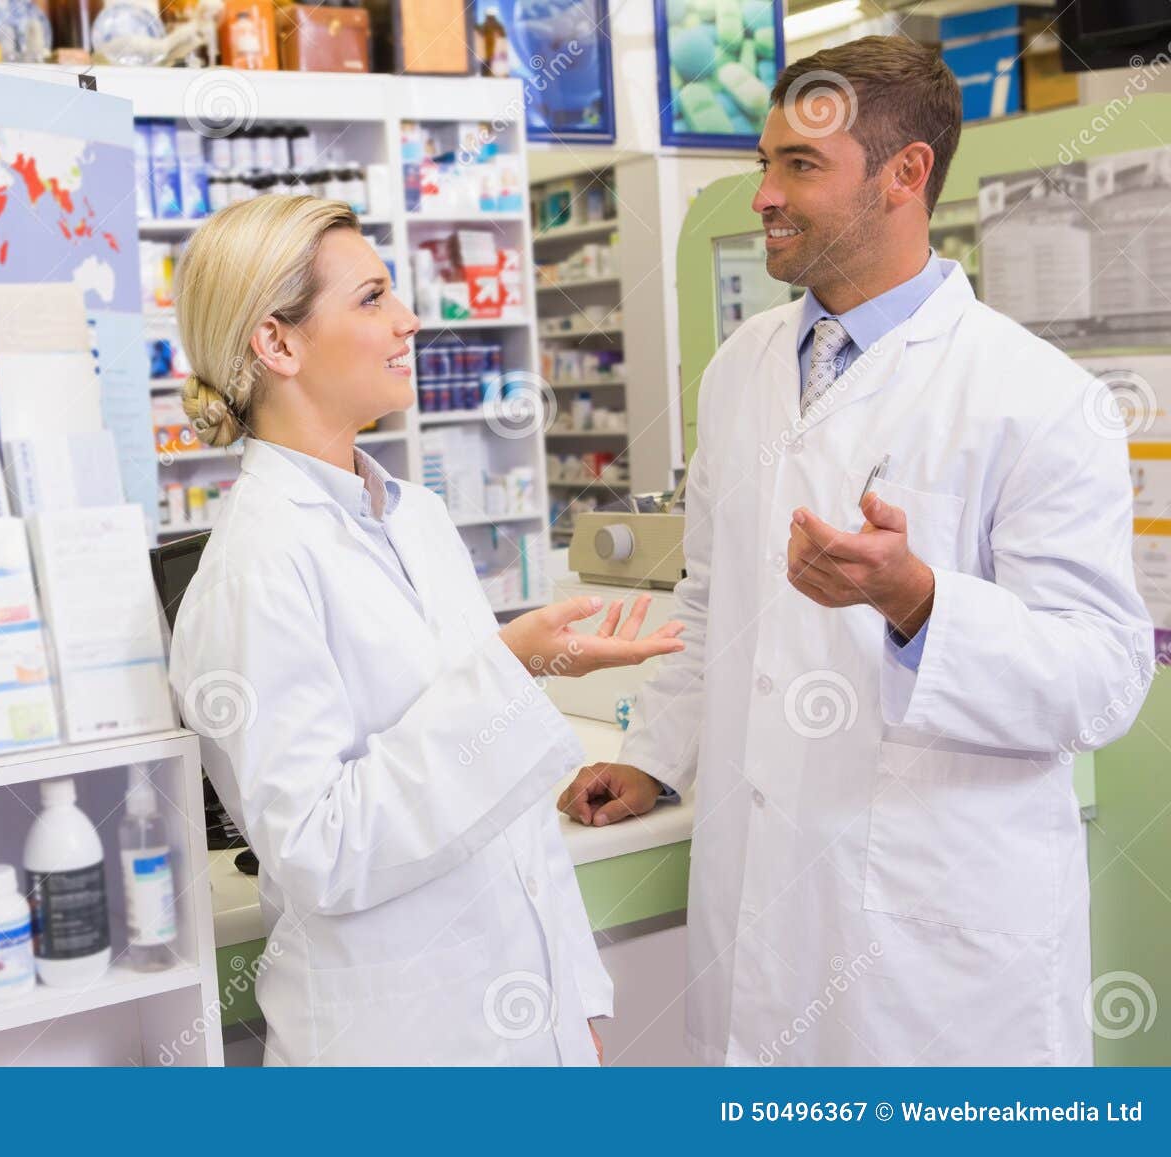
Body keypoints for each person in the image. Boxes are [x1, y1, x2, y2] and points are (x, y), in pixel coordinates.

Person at [559, 36, 1153, 1065]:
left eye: (801, 165)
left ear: (903, 175)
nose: (763, 197)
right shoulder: (739, 369)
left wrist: (923, 603)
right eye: (764, 161)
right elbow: (710, 602)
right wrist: (655, 756)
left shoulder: (1039, 397)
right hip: (761, 907)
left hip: (927, 948)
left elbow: (1103, 677)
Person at [166, 195, 685, 1065]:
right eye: (371, 299)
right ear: (277, 342)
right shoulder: (253, 569)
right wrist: (509, 673)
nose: (409, 320)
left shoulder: (416, 517)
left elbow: (508, 816)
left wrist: (578, 1003)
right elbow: (318, 850)